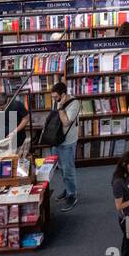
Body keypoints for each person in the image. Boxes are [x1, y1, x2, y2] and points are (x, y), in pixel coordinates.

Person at [51, 81, 80, 211]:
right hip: (57, 140)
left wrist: (61, 107)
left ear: (63, 95)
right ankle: (68, 189)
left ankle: (72, 195)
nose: (54, 99)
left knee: (68, 169)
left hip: (68, 141)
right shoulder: (57, 101)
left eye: (56, 97)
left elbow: (66, 122)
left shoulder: (74, 104)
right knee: (62, 168)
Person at [0, 91, 30, 158]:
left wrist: (14, 132)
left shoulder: (17, 105)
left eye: (3, 108)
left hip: (17, 141)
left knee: (17, 163)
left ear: (8, 102)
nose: (1, 110)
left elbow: (26, 118)